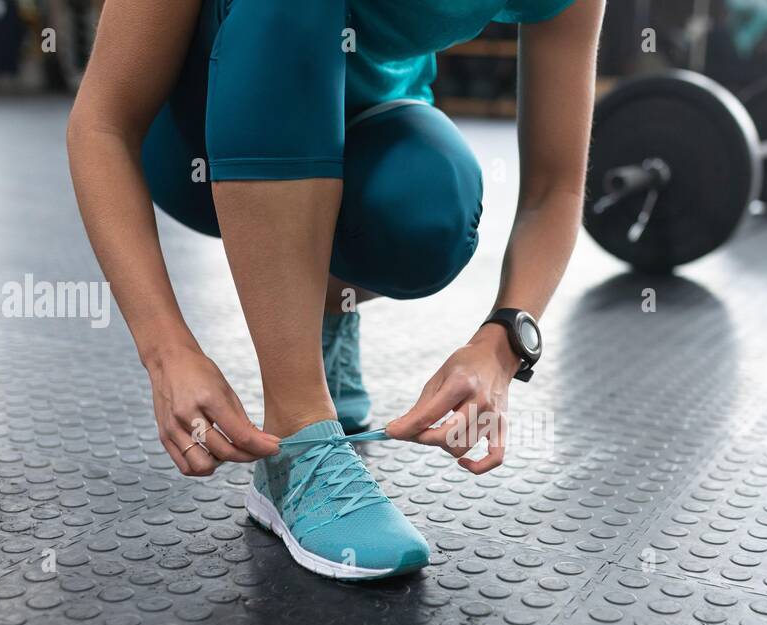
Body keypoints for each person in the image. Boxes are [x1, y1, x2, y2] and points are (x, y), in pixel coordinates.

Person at [66, 0, 603, 581]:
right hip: (191, 138)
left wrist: (501, 346)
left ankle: (326, 308)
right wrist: (166, 351)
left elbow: (557, 188)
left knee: (428, 204)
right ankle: (298, 441)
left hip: (359, 129)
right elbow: (102, 123)